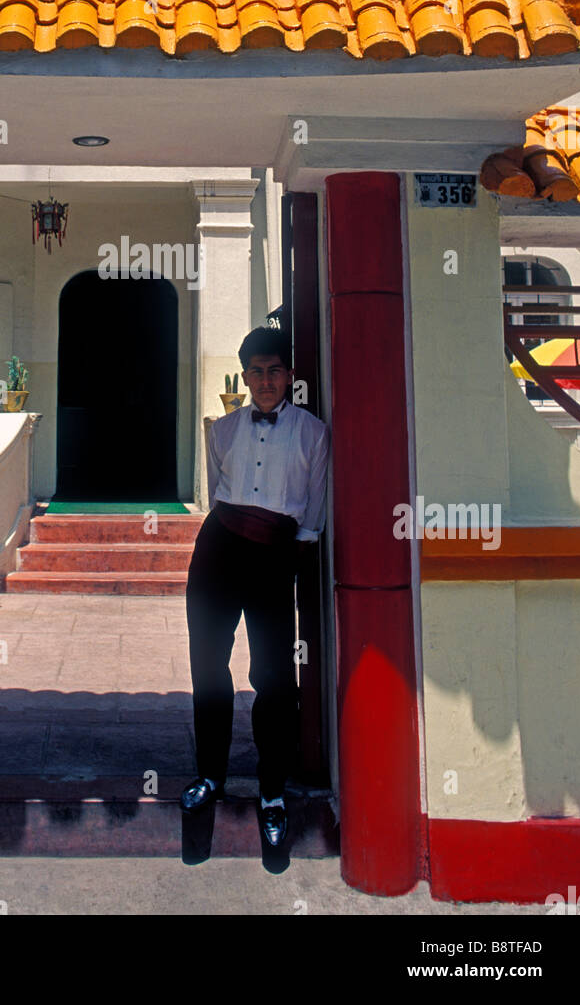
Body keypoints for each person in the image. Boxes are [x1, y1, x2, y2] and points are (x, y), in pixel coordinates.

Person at [180, 326, 330, 847]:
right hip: (218, 551)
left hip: (274, 554)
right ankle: (210, 777)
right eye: (256, 372)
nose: (266, 381)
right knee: (209, 665)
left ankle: (271, 792)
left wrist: (292, 561)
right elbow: (220, 490)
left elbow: (312, 514)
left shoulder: (313, 433)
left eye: (275, 370)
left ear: (289, 375)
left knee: (274, 677)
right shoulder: (222, 431)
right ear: (244, 377)